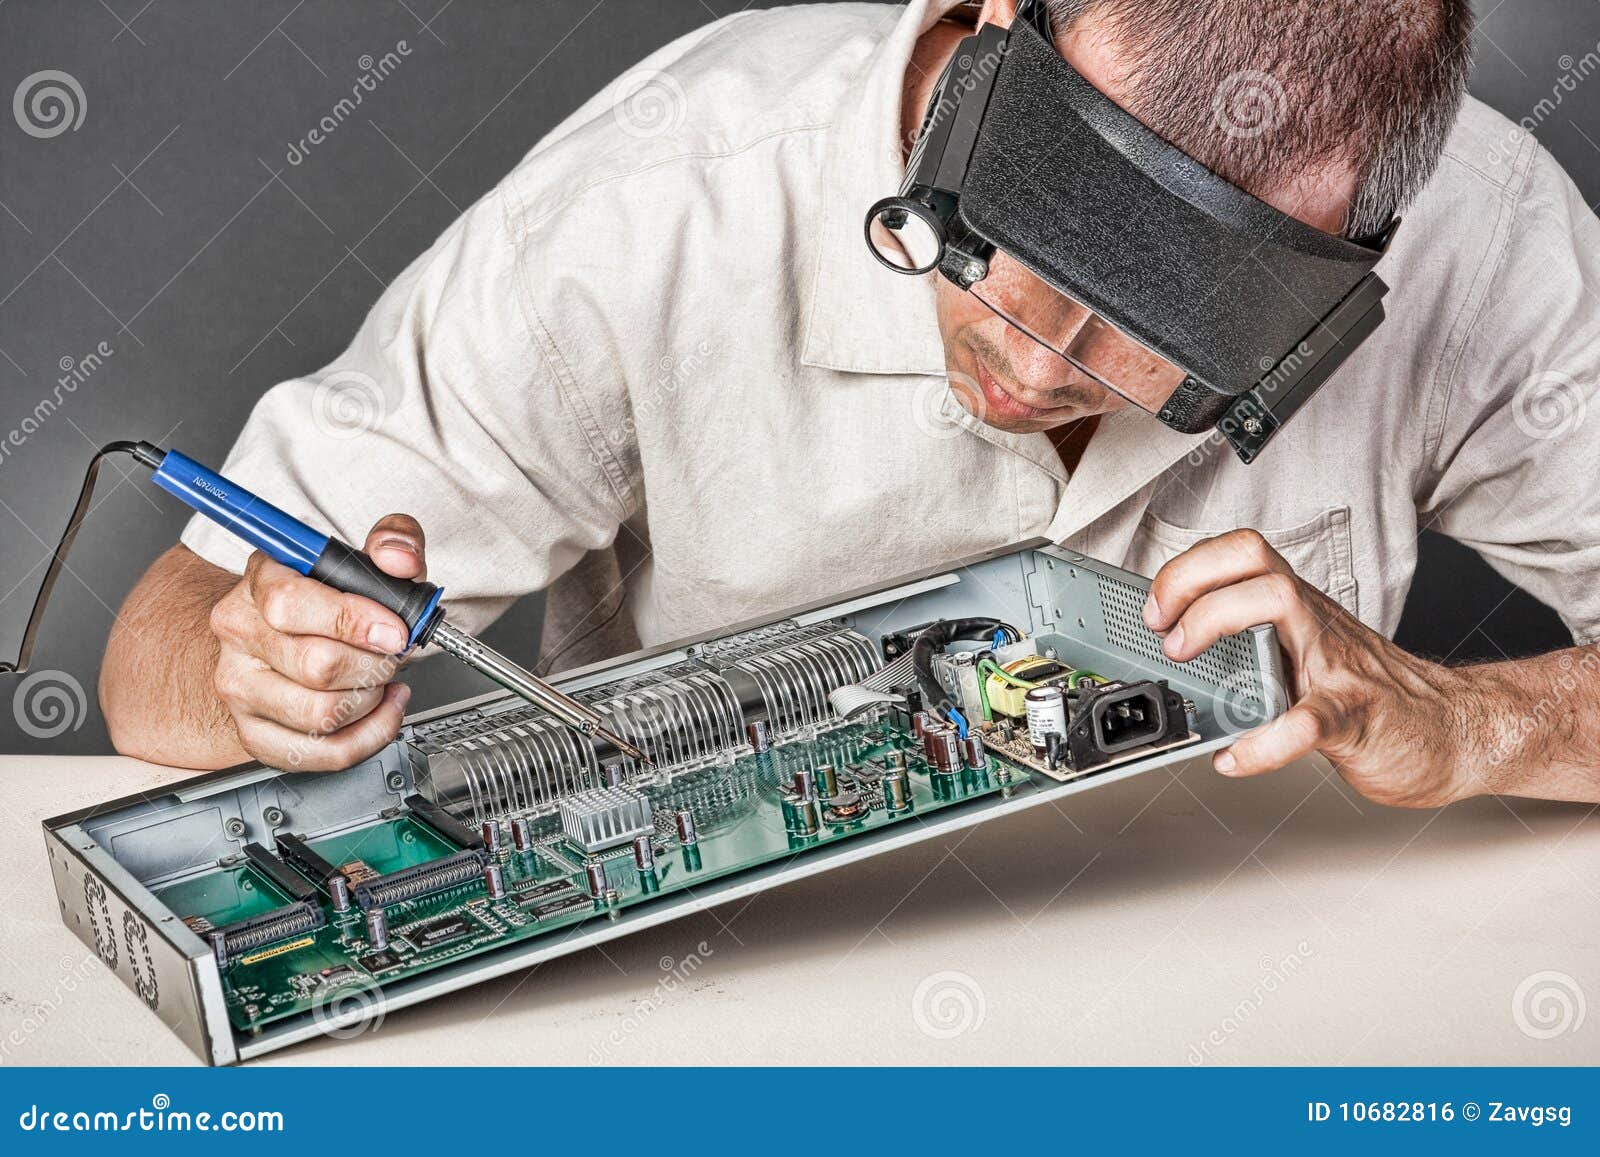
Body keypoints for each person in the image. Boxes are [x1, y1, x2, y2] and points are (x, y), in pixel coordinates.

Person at [101, 0, 1600, 808]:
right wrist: (257, 677)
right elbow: (152, 656)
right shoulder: (659, 203)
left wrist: (1478, 721)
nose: (1031, 352)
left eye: (1161, 322)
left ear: (1338, 276)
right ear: (995, 32)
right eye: (1017, 231)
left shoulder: (1492, 237)